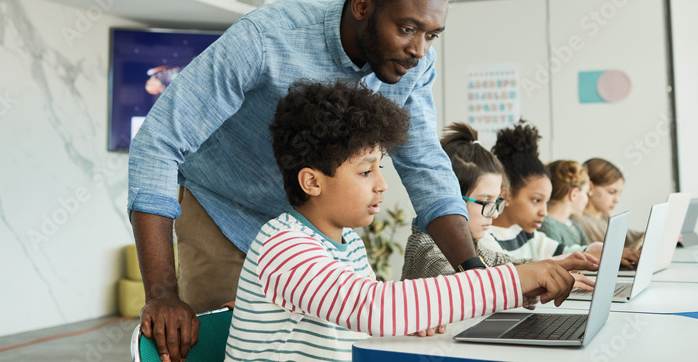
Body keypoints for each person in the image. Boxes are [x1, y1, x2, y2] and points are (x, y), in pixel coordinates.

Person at [128, 0, 484, 361]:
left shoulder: (415, 65)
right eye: (407, 29)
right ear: (362, 5)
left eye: (431, 35)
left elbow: (424, 165)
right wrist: (162, 294)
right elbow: (158, 142)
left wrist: (471, 269)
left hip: (316, 227)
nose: (419, 50)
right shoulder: (268, 36)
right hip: (224, 211)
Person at [224, 81, 597, 362]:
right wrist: (516, 280)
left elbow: (366, 316)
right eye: (366, 172)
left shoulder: (347, 241)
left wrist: (409, 317)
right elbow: (369, 307)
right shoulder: (284, 245)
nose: (382, 184)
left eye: (380, 168)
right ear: (312, 181)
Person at [401, 122, 521, 279]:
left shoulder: (474, 245)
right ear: (453, 200)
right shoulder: (428, 250)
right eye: (486, 202)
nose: (495, 214)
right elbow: (463, 284)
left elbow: (510, 262)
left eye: (496, 202)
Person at [483, 121, 600, 261]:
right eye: (536, 200)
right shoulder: (485, 237)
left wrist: (601, 250)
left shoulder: (525, 233)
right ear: (505, 195)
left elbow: (570, 252)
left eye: (546, 202)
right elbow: (518, 272)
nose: (544, 212)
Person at [572, 158, 645, 250]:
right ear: (590, 188)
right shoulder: (580, 221)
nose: (616, 200)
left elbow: (630, 236)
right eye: (611, 192)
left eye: (619, 193)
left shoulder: (603, 216)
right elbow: (620, 250)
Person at [541, 160, 592, 248]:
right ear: (574, 194)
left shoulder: (575, 227)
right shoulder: (547, 226)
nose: (587, 199)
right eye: (586, 192)